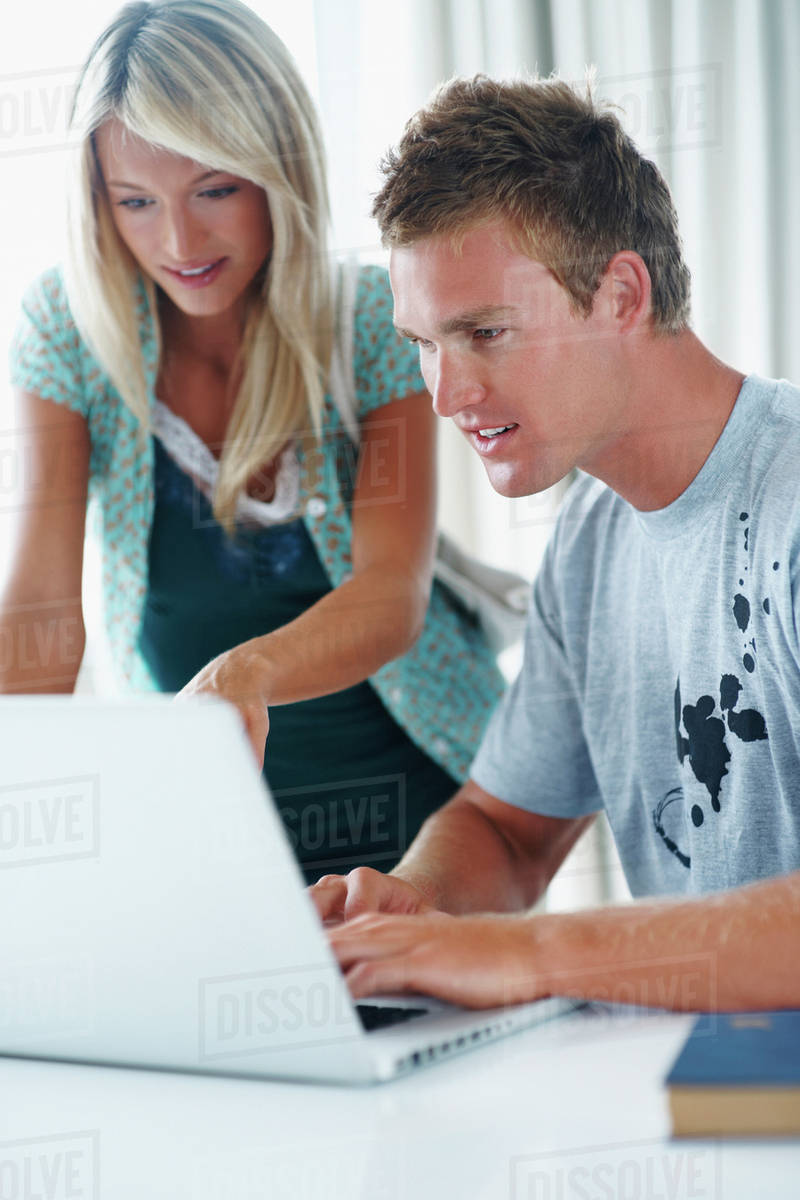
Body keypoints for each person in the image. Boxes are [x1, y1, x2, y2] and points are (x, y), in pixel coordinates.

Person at [311, 75, 800, 1009]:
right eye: (424, 342)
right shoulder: (590, 537)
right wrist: (412, 907)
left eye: (485, 333)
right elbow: (509, 829)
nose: (445, 394)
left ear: (620, 293)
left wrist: (530, 954)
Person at [1, 1, 505, 883]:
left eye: (216, 190)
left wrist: (249, 672)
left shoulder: (368, 323)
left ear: (279, 170)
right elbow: (42, 612)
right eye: (135, 202)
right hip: (216, 842)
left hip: (430, 822)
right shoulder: (65, 332)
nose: (179, 241)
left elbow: (393, 595)